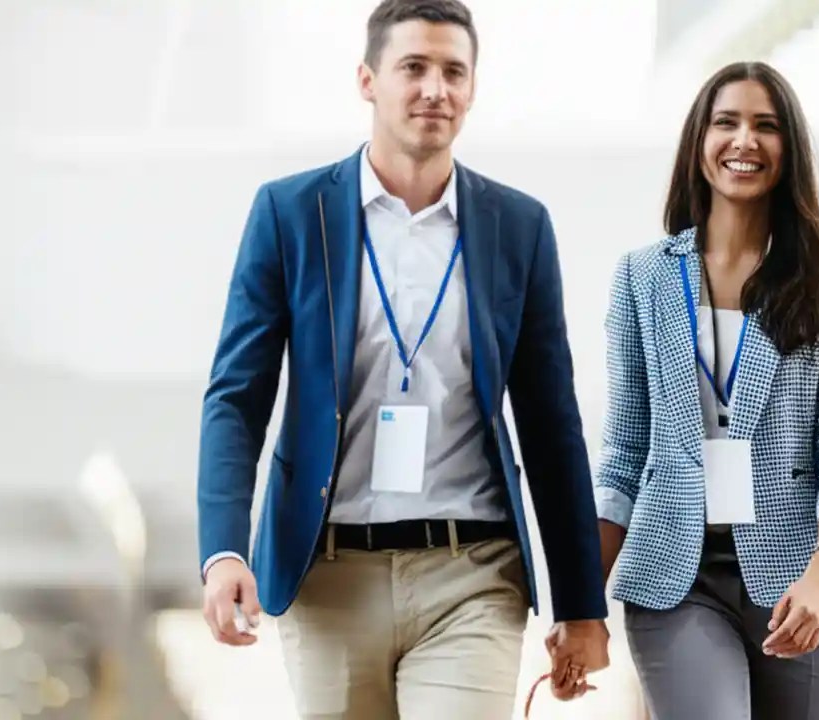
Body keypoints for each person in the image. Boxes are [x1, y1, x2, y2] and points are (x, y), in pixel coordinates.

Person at [195, 1, 609, 717]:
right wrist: (224, 550)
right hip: (328, 577)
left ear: (473, 88)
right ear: (367, 81)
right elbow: (237, 397)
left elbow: (551, 424)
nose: (434, 89)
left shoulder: (519, 227)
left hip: (472, 572)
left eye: (454, 71)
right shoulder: (291, 215)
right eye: (413, 68)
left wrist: (581, 603)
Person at [592, 61, 819, 720]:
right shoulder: (644, 276)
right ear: (699, 142)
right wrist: (580, 605)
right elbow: (623, 453)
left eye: (766, 126)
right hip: (675, 576)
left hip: (801, 572)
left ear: (791, 150)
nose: (744, 141)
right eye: (726, 122)